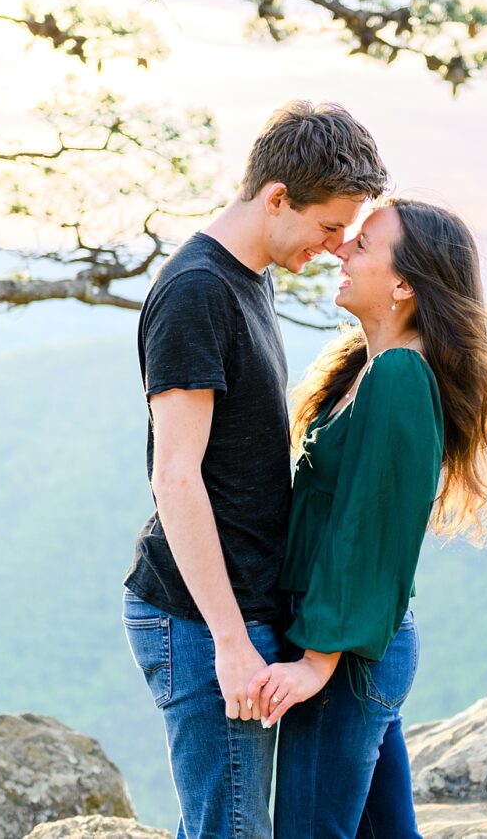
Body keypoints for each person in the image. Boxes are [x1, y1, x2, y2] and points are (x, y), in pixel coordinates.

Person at [122, 102, 387, 839]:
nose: (337, 246)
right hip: (201, 619)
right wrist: (231, 642)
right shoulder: (198, 290)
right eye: (329, 226)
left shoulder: (248, 274)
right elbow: (176, 477)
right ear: (277, 197)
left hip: (237, 611)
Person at [247, 198, 487, 839]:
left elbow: (369, 531)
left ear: (403, 285)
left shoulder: (397, 374)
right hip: (364, 641)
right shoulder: (369, 367)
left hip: (349, 651)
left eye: (363, 245)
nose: (341, 250)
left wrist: (317, 661)